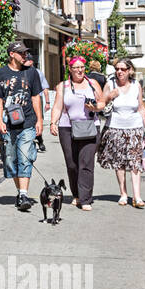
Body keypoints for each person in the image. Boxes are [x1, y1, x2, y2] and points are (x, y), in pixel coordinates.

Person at [0, 41, 44, 212]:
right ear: (12, 54)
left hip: (27, 122)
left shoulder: (32, 72)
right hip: (8, 122)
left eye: (26, 53)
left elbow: (36, 97)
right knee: (10, 160)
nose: (25, 55)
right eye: (21, 53)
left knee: (26, 156)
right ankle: (20, 192)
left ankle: (23, 193)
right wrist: (0, 121)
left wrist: (39, 120)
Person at [49, 56, 105, 210]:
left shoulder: (92, 84)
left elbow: (102, 102)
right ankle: (76, 194)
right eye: (76, 68)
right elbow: (57, 107)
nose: (80, 70)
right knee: (72, 164)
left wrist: (95, 107)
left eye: (82, 67)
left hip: (90, 127)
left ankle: (86, 199)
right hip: (67, 128)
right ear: (70, 69)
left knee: (86, 163)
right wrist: (53, 122)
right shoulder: (63, 86)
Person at [97, 58, 145, 208]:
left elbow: (141, 107)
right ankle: (123, 193)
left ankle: (137, 196)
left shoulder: (136, 85)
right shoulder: (110, 84)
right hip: (115, 129)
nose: (119, 72)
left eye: (123, 69)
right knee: (119, 163)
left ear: (130, 71)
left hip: (135, 129)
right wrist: (110, 96)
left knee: (135, 162)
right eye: (117, 69)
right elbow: (101, 104)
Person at [25, 52, 52, 151]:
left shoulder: (38, 73)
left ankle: (40, 140)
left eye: (27, 60)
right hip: (26, 100)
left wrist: (48, 102)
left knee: (37, 120)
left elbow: (44, 88)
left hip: (37, 99)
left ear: (31, 61)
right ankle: (31, 141)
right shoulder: (21, 72)